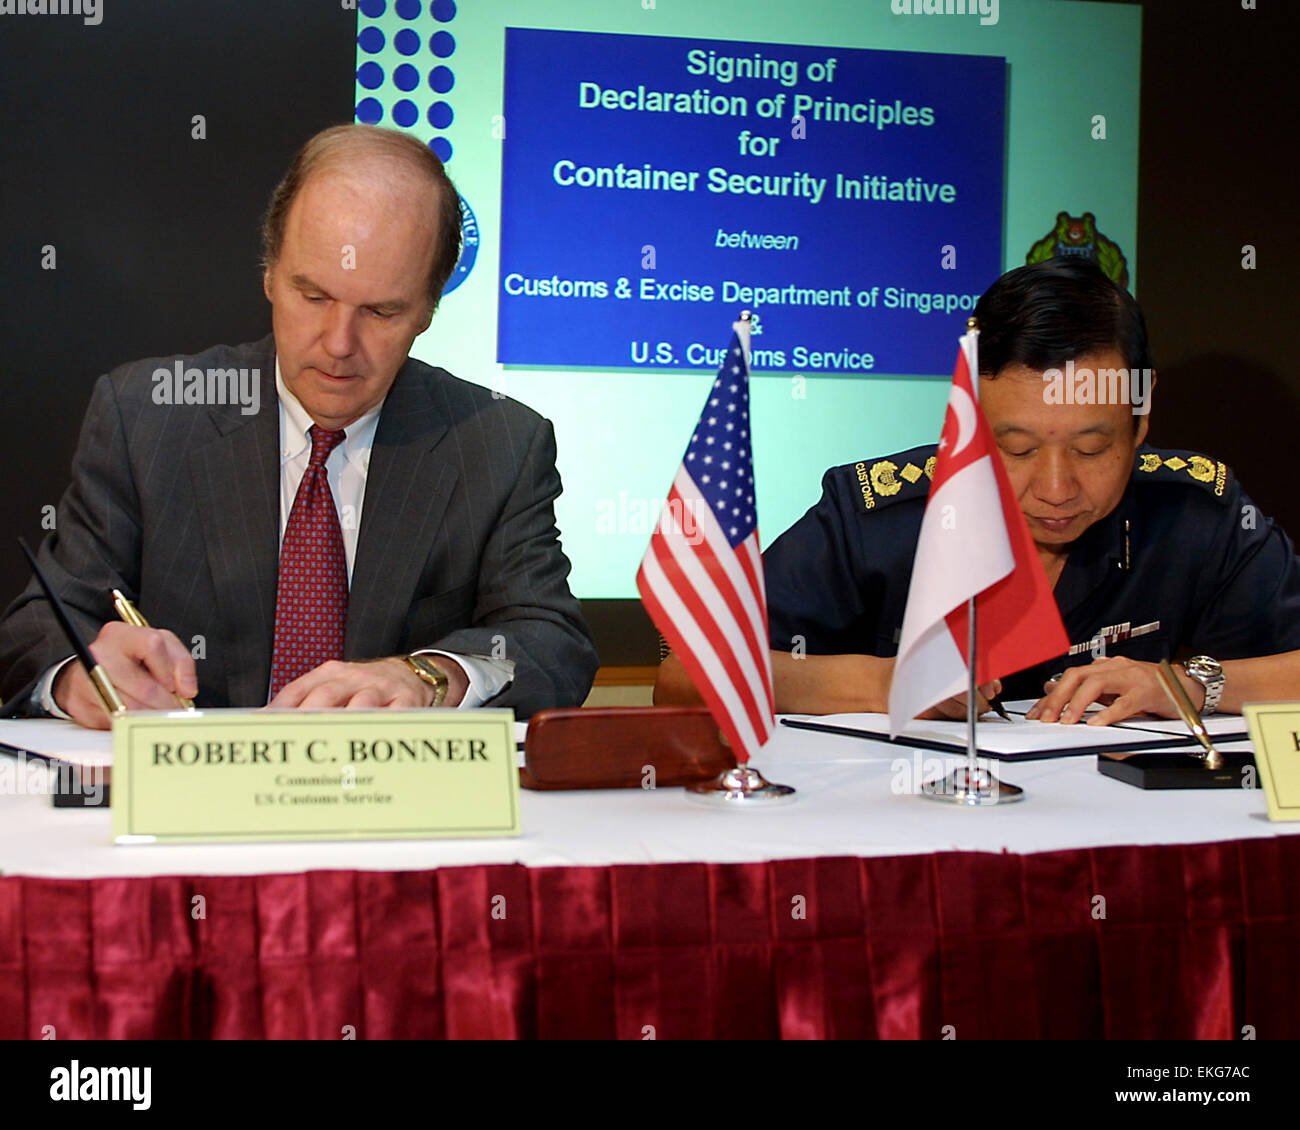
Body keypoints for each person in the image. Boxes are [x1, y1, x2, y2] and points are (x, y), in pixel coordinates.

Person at [0, 124, 598, 728]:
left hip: (392, 808)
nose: (339, 345)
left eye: (382, 311)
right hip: (186, 802)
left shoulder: (499, 444)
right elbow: (39, 627)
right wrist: (80, 677)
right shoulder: (149, 415)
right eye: (313, 297)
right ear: (269, 274)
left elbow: (553, 647)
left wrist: (428, 677)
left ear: (429, 308)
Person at [655, 257, 1300, 724]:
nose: (1055, 488)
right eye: (1015, 449)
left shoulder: (1193, 508)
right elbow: (684, 675)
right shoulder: (878, 517)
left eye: (1091, 447)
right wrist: (883, 683)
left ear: (1139, 426)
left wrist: (1186, 685)